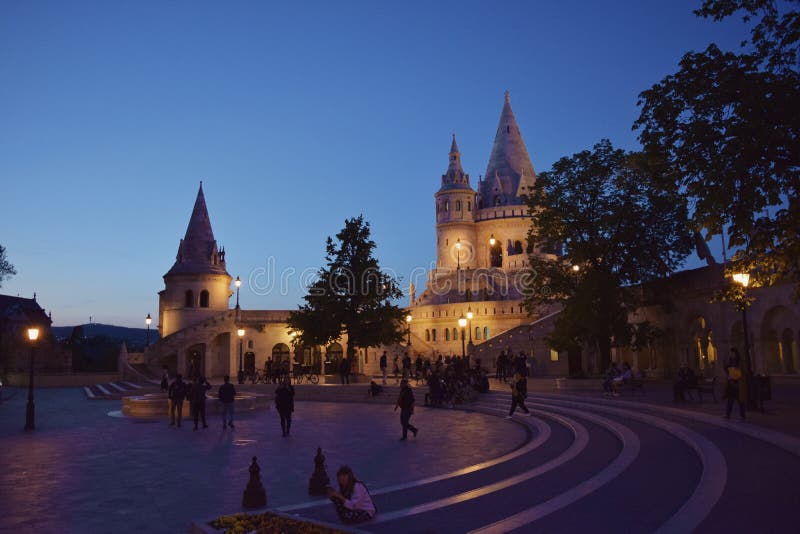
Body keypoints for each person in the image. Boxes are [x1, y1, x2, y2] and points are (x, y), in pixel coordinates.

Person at [724, 348, 747, 420]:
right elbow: (727, 370)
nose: (731, 354)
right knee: (730, 400)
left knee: (740, 400)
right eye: (731, 353)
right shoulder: (730, 362)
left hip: (738, 383)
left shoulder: (739, 362)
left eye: (732, 353)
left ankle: (742, 415)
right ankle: (728, 414)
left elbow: (742, 371)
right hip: (731, 383)